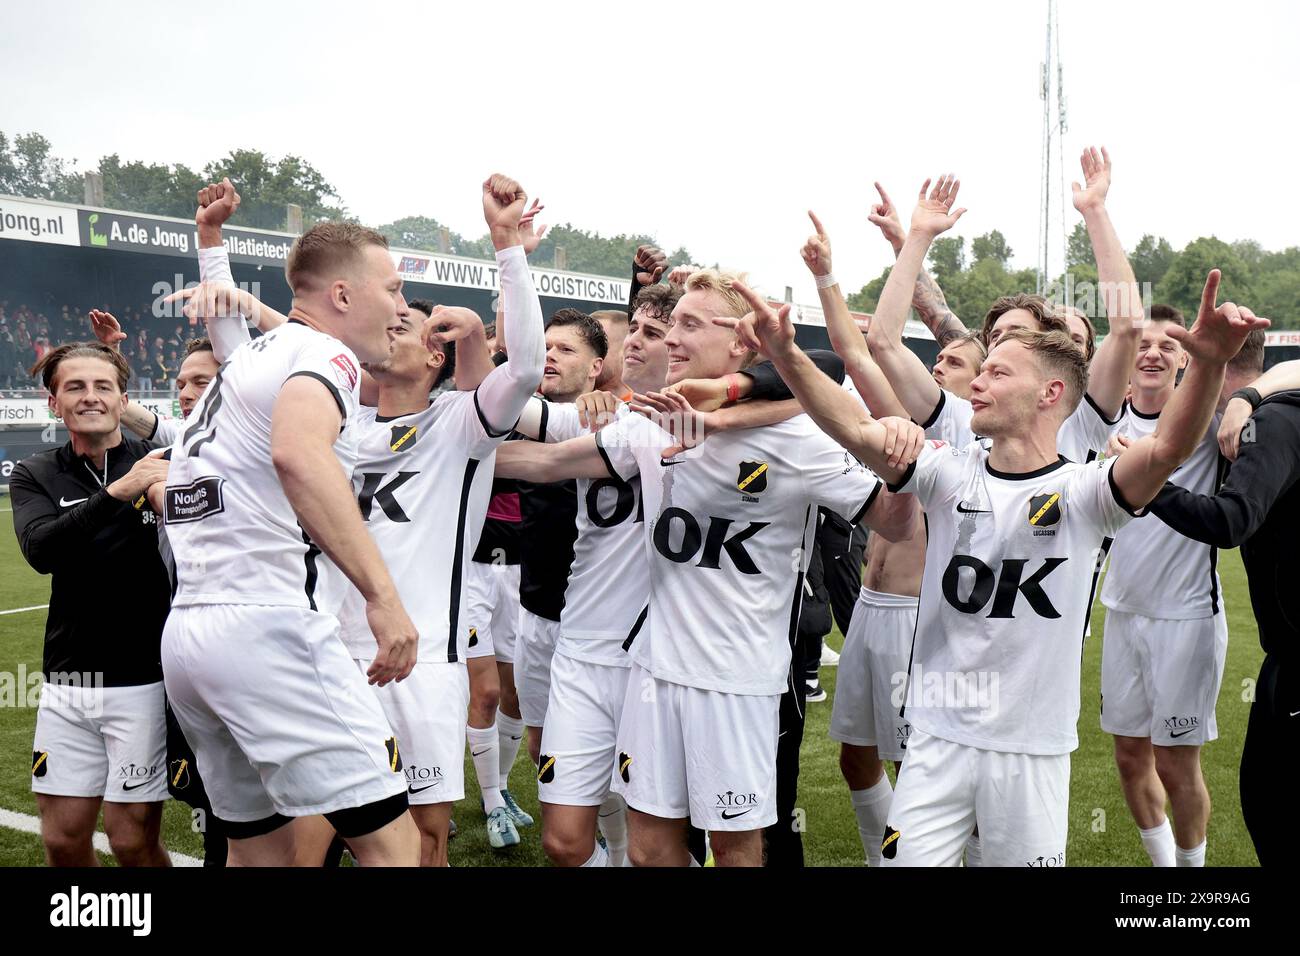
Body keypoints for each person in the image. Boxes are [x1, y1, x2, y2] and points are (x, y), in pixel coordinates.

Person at [737, 194, 1268, 867]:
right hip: (936, 739)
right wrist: (785, 353)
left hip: (1031, 751)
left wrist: (1214, 365)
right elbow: (852, 419)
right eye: (980, 365)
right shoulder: (945, 473)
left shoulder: (1083, 490)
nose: (977, 380)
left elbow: (1163, 452)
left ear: (1050, 394)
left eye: (997, 371)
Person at [493, 268, 916, 866]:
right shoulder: (646, 422)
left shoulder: (799, 437)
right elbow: (547, 462)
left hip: (736, 681)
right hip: (651, 672)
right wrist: (447, 442)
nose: (671, 340)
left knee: (737, 851)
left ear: (741, 343)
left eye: (689, 325)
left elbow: (897, 522)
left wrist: (903, 454)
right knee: (647, 852)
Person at [160, 213, 425, 866]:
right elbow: (300, 456)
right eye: (391, 290)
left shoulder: (250, 358)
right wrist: (382, 596)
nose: (400, 308)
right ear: (342, 295)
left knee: (262, 858)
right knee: (396, 847)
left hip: (192, 638)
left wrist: (214, 253)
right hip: (270, 628)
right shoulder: (322, 355)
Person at [10, 343, 173, 867]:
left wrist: (138, 484)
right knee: (62, 840)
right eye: (74, 387)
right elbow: (42, 550)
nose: (90, 397)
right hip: (68, 681)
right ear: (53, 402)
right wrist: (120, 493)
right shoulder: (35, 472)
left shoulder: (163, 463)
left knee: (131, 841)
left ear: (124, 399)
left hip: (145, 679)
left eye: (103, 386)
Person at [1148, 341, 1296, 867]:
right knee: (1263, 799)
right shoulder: (1268, 407)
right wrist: (1248, 395)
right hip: (1281, 655)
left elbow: (1231, 521)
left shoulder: (1274, 422)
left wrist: (1144, 483)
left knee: (1270, 805)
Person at [1100, 304, 1235, 868]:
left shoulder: (1204, 419)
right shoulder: (1102, 420)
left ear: (1184, 360)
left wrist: (1243, 398)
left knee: (1177, 762)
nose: (1152, 352)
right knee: (1131, 757)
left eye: (1167, 346)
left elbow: (1273, 379)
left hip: (1185, 617)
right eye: (1144, 343)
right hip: (1122, 611)